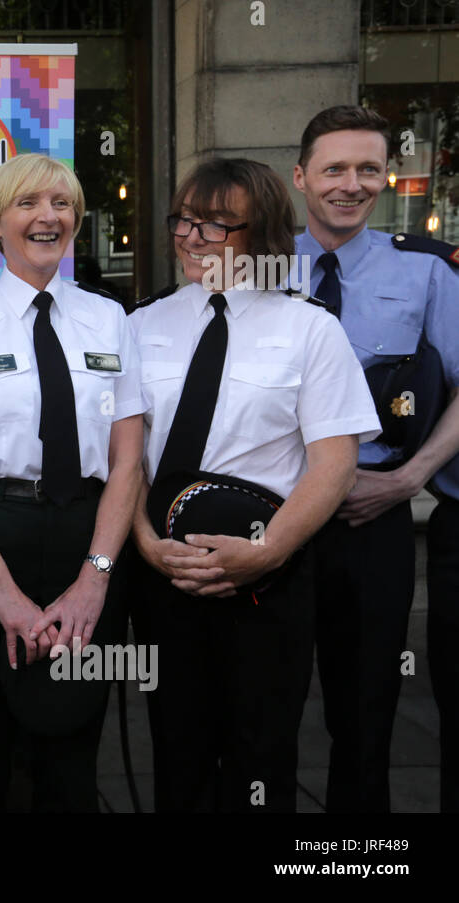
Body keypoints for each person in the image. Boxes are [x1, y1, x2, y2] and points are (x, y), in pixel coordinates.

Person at [128, 157, 380, 812]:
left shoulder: (311, 328)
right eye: (182, 220)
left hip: (268, 582)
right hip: (165, 575)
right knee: (176, 754)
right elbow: (124, 458)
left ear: (262, 232)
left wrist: (267, 551)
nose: (189, 237)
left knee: (260, 757)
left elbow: (334, 463)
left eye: (214, 225)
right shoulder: (140, 326)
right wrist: (146, 544)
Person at [0, 153, 145, 811]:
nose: (48, 217)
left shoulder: (109, 319)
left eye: (62, 204)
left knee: (72, 747)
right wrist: (3, 591)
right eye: (30, 204)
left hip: (85, 537)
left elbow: (128, 460)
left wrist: (96, 576)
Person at [291, 104, 459, 813]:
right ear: (301, 177)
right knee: (260, 711)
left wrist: (409, 480)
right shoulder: (256, 268)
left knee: (366, 718)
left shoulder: (426, 272)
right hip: (280, 523)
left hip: (374, 516)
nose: (352, 184)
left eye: (368, 168)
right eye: (335, 168)